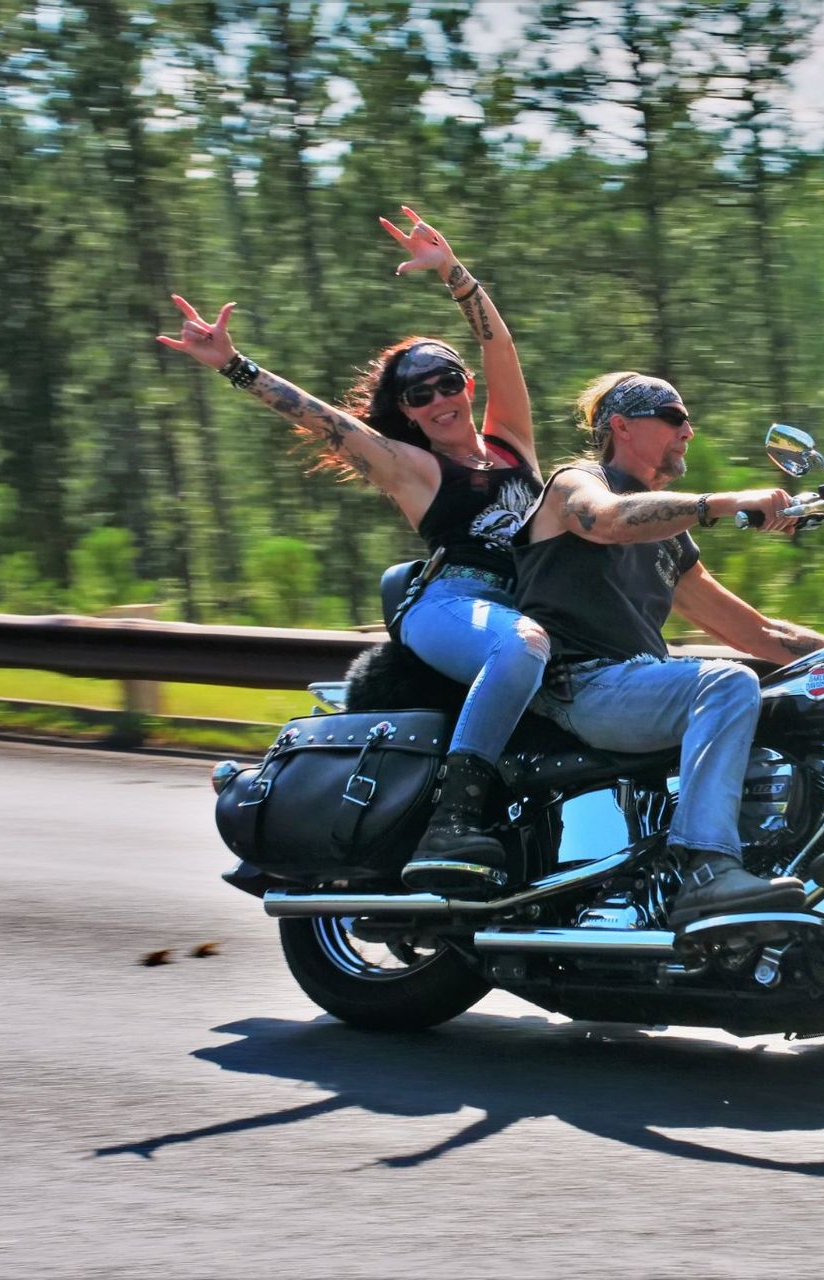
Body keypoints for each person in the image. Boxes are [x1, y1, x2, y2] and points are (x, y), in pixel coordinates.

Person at [158, 208, 548, 894]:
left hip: (531, 601)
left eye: (447, 381)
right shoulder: (413, 468)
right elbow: (324, 419)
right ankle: (450, 821)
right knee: (520, 649)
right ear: (408, 413)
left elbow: (501, 348)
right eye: (418, 395)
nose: (438, 399)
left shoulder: (511, 440)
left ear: (467, 386)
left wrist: (454, 273)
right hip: (459, 602)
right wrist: (233, 365)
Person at [514, 372, 824, 927]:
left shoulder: (666, 536)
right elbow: (612, 521)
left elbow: (762, 635)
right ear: (621, 426)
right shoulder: (575, 485)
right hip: (583, 685)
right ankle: (708, 866)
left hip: (635, 685)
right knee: (731, 681)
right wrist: (723, 503)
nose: (688, 430)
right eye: (672, 416)